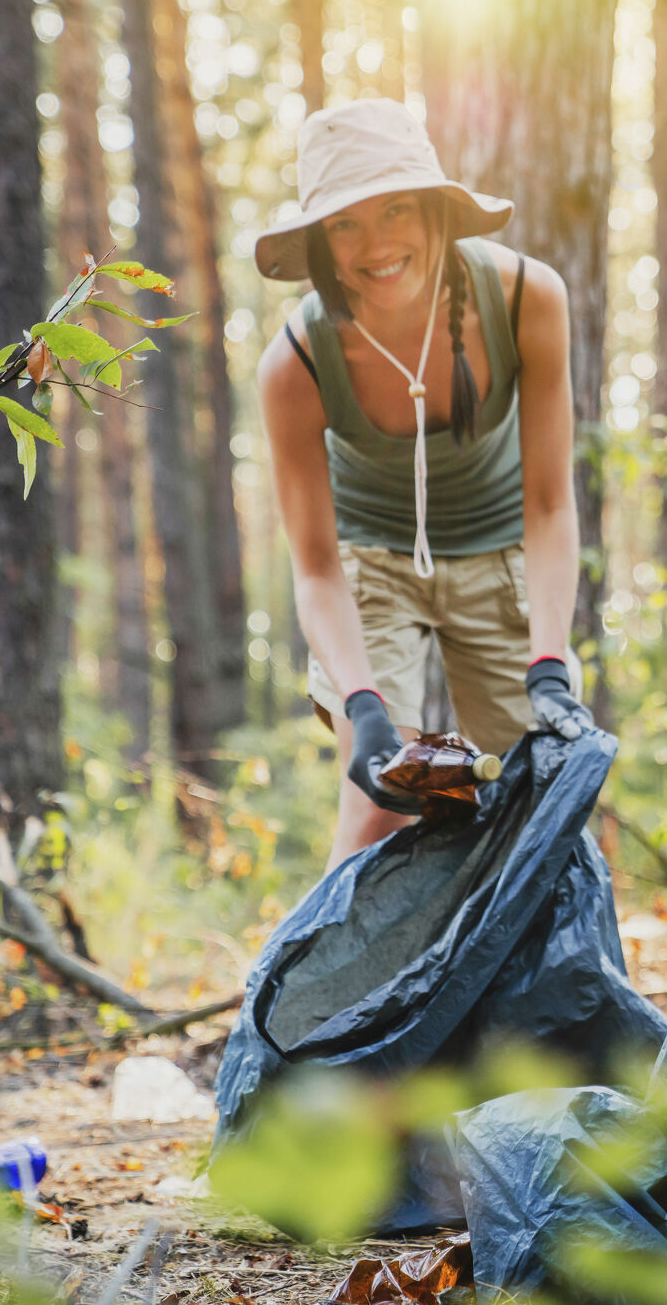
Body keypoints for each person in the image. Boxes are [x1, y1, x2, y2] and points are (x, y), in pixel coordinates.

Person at [253, 100, 593, 868]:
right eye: (346, 224)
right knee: (380, 805)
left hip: (505, 550)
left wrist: (548, 662)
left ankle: (538, 987)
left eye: (396, 209)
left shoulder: (525, 298)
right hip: (369, 566)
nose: (376, 244)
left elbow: (547, 503)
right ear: (319, 243)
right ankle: (326, 989)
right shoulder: (296, 362)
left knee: (540, 809)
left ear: (437, 212)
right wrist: (363, 706)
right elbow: (315, 566)